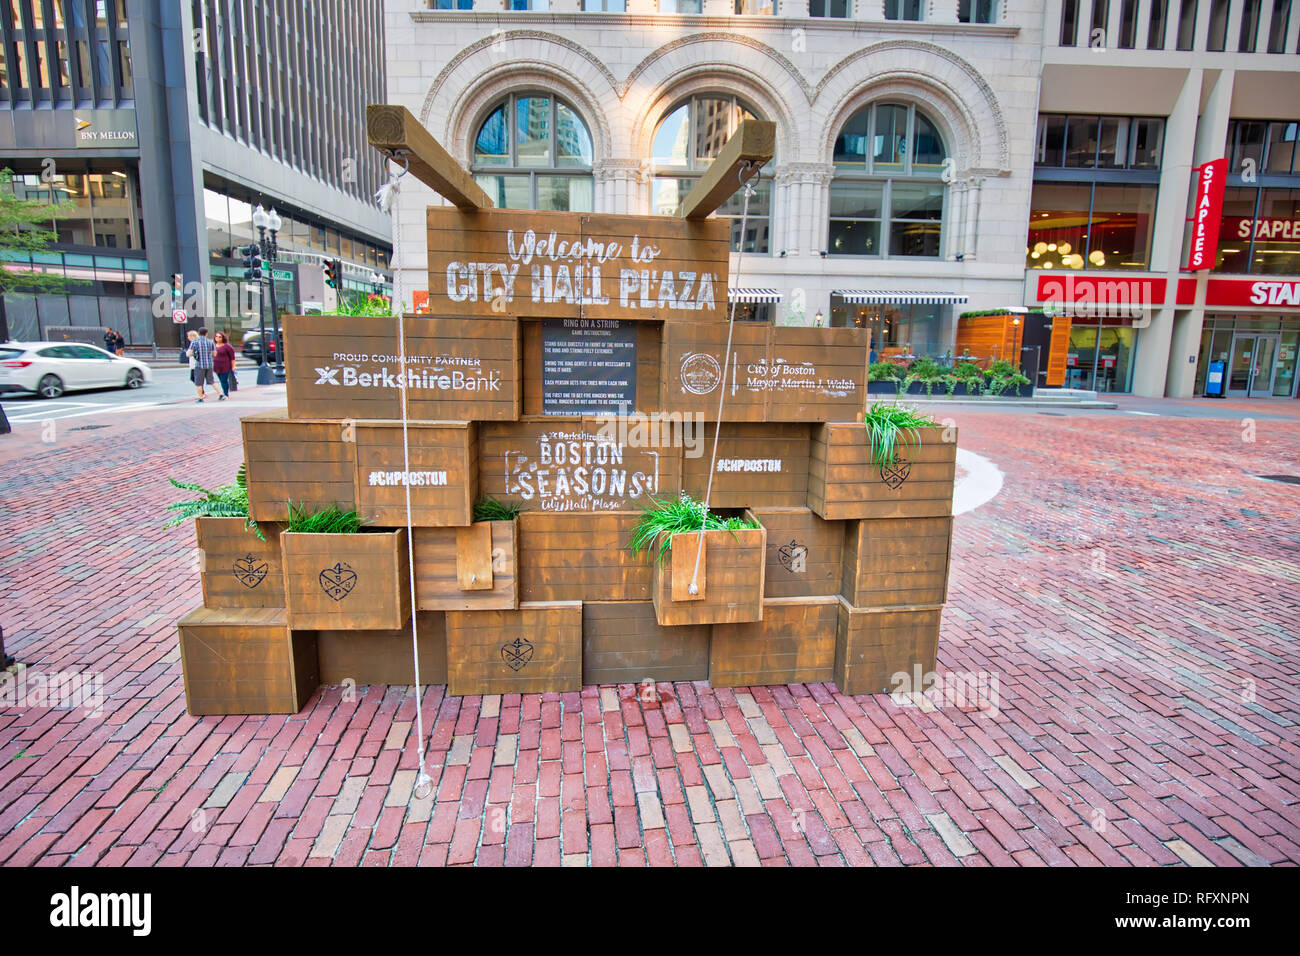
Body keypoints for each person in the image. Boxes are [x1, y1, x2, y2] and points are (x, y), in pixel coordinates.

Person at [187, 328, 216, 403]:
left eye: (189, 336)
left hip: (197, 364)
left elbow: (189, 353)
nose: (188, 338)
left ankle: (201, 395)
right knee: (210, 381)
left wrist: (192, 354)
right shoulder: (210, 342)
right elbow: (214, 353)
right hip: (208, 364)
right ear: (206, 333)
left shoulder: (195, 342)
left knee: (198, 381)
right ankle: (220, 394)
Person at [212, 331, 237, 401]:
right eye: (216, 336)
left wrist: (233, 366)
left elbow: (232, 358)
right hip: (216, 366)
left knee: (224, 380)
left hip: (225, 366)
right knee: (221, 380)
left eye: (220, 337)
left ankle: (226, 394)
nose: (218, 338)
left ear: (223, 338)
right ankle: (224, 393)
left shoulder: (227, 346)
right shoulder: (213, 346)